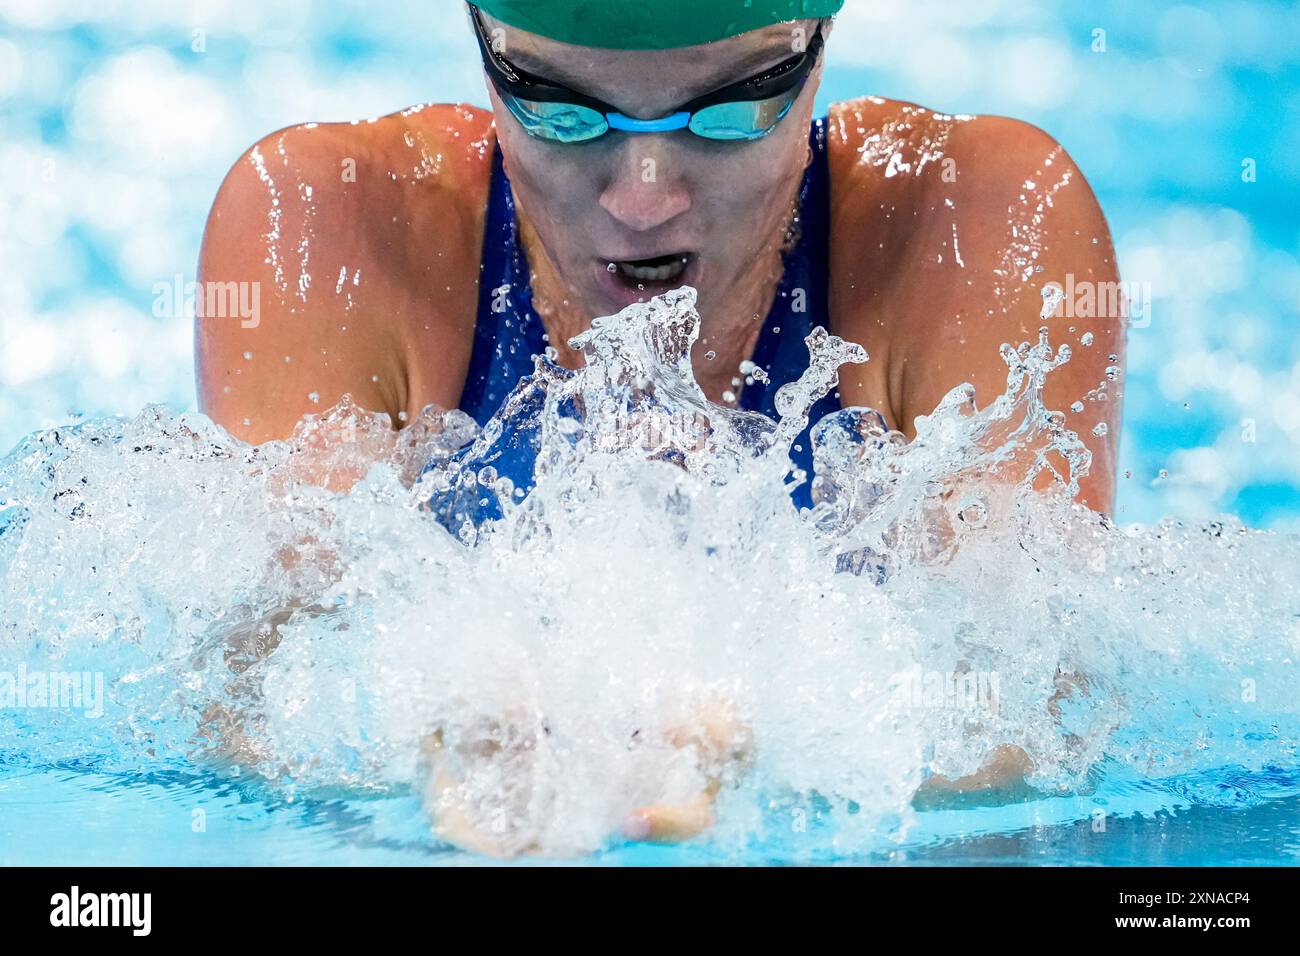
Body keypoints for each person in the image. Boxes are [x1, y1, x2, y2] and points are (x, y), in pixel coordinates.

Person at [195, 0, 1126, 849]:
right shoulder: (328, 223)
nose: (642, 200)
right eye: (559, 108)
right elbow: (251, 702)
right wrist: (420, 746)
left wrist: (788, 744)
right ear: (484, 53)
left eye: (732, 110)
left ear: (818, 50)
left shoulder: (977, 222)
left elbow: (1033, 717)